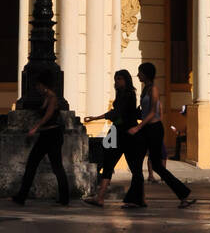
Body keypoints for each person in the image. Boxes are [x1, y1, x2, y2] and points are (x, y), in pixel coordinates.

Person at [129, 62, 195, 208]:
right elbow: (145, 112)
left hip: (154, 129)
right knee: (137, 162)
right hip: (147, 128)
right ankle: (137, 199)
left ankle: (183, 194)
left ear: (146, 74)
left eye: (140, 72)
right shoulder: (145, 89)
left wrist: (137, 127)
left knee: (157, 166)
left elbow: (153, 112)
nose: (138, 74)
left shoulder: (153, 89)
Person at [83, 69, 145, 207]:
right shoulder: (122, 94)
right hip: (117, 132)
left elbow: (117, 113)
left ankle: (139, 199)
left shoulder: (129, 94)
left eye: (119, 79)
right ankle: (100, 197)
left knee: (133, 166)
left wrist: (97, 118)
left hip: (125, 134)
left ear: (126, 80)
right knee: (109, 163)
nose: (116, 82)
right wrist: (95, 118)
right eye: (115, 79)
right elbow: (115, 113)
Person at [12, 72, 70, 206]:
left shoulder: (52, 97)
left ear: (43, 85)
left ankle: (64, 198)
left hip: (53, 135)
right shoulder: (46, 97)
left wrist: (35, 127)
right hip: (46, 135)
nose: (36, 87)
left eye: (38, 85)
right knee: (33, 164)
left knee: (56, 166)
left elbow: (49, 115)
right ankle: (22, 196)